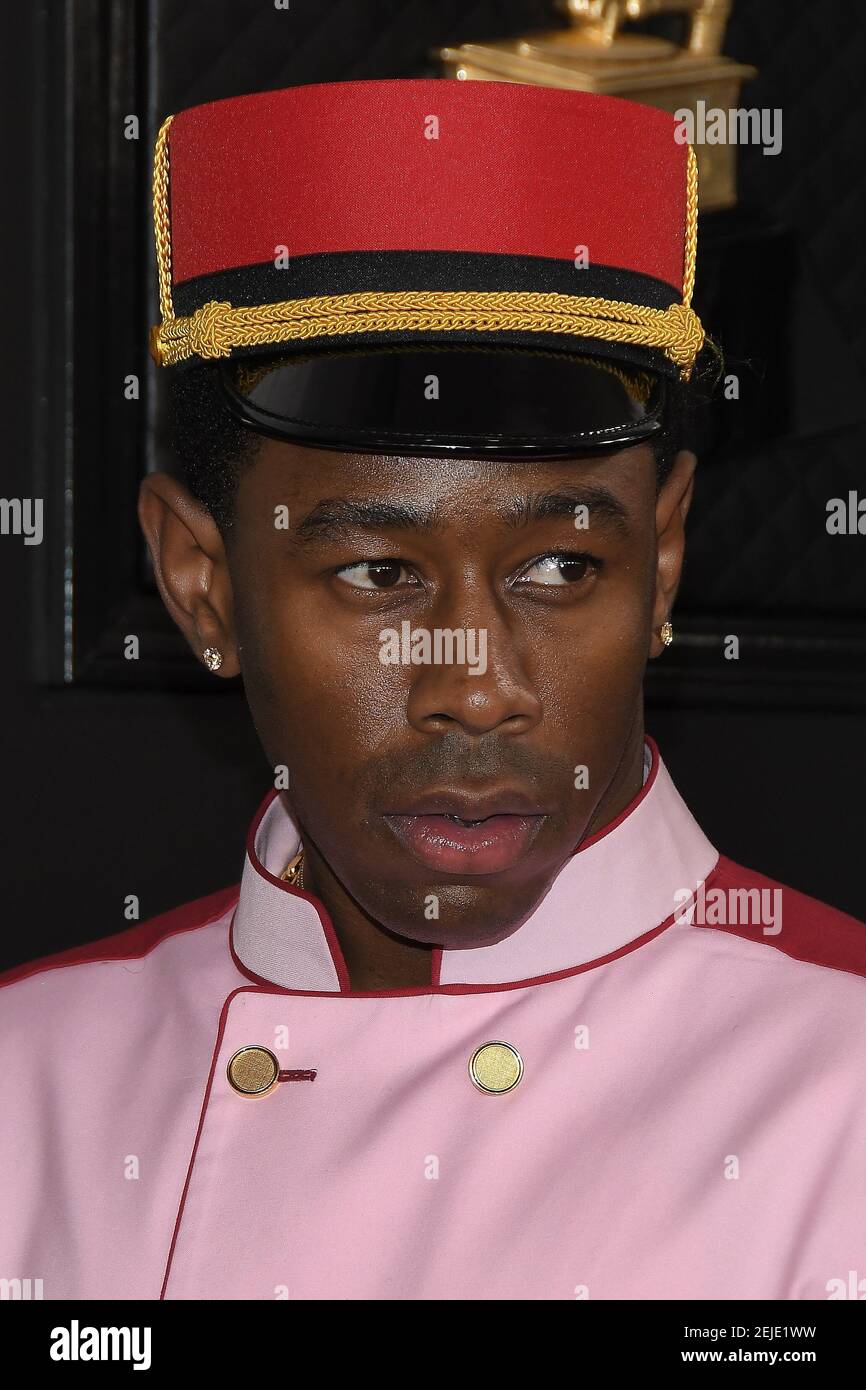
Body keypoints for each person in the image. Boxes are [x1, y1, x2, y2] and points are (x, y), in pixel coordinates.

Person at [2, 77, 864, 1302]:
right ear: (202, 584)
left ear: (661, 561)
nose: (474, 687)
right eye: (376, 573)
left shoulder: (841, 1096)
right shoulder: (25, 1090)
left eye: (562, 565)